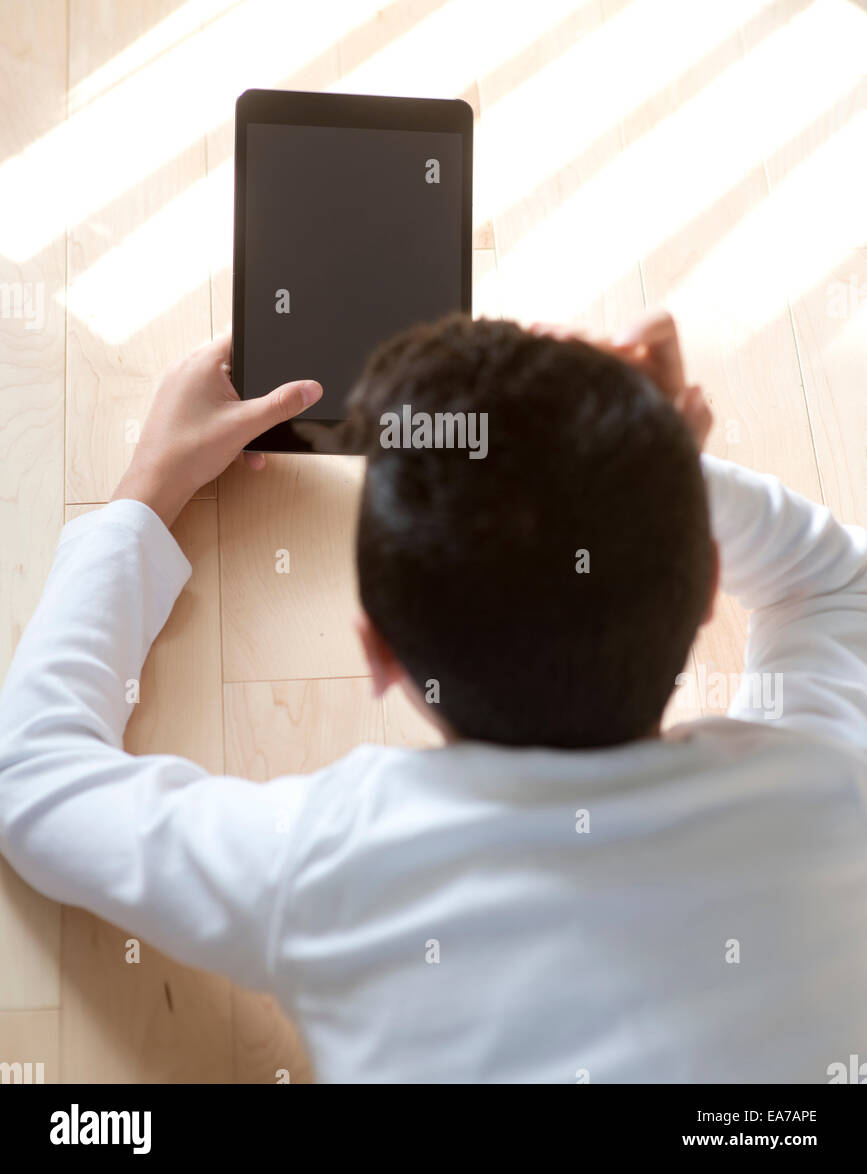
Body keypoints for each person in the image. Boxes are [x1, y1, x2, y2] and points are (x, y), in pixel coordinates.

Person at [0, 312, 864, 1084]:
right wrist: (648, 474)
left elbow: (32, 778)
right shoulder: (833, 790)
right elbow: (835, 587)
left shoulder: (329, 864)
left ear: (377, 653)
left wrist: (151, 484)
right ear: (710, 576)